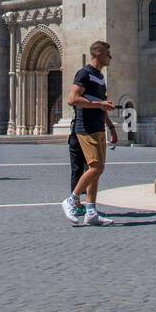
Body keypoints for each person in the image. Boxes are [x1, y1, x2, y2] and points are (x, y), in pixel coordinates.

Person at [61, 41, 118, 227]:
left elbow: (102, 104)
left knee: (96, 171)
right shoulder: (84, 73)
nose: (110, 57)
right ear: (99, 53)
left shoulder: (100, 77)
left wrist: (111, 127)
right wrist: (99, 105)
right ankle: (72, 200)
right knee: (96, 167)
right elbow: (72, 99)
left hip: (98, 127)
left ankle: (91, 211)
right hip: (85, 127)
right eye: (108, 53)